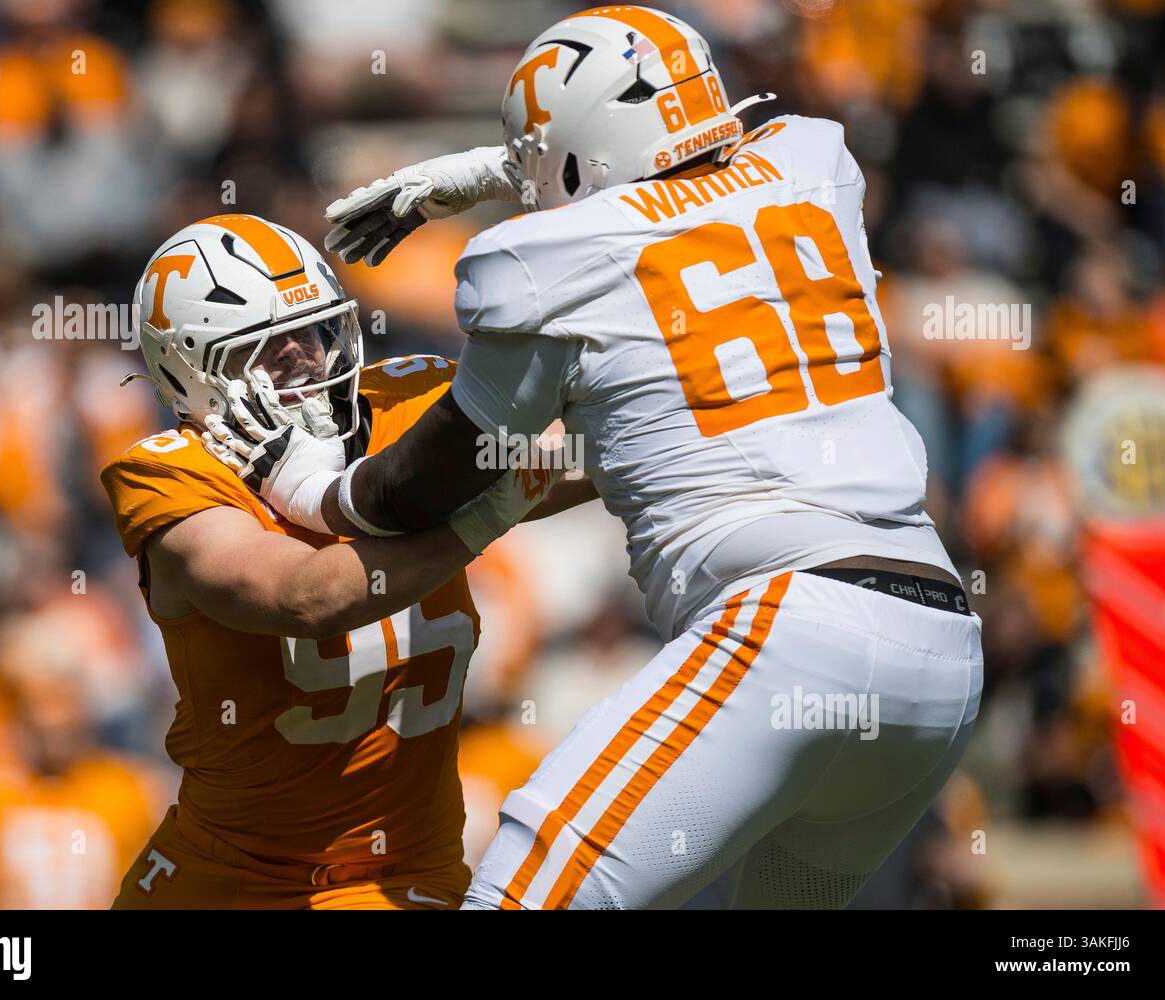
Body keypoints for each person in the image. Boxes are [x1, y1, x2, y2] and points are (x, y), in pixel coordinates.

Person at [276, 6, 985, 909]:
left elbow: (421, 487)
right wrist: (509, 170)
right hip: (939, 648)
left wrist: (310, 486)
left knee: (517, 897)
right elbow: (693, 169)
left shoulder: (547, 255)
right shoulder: (815, 164)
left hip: (789, 627)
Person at [101, 213, 585, 908]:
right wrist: (486, 512)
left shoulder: (405, 407)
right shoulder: (175, 477)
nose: (302, 356)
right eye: (266, 348)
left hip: (397, 875)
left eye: (314, 330)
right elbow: (306, 596)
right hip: (224, 878)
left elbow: (597, 447)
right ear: (189, 371)